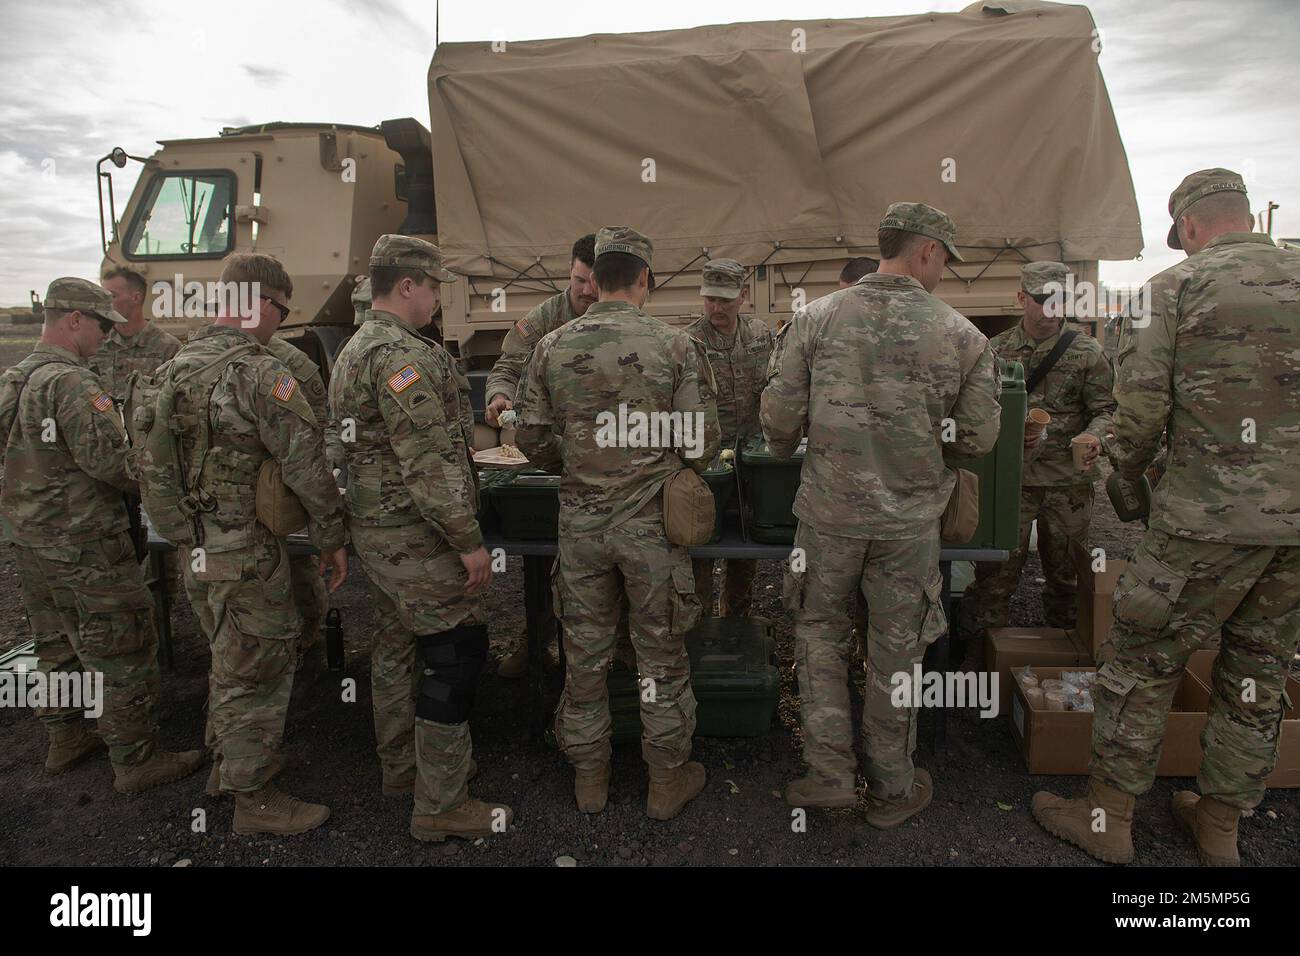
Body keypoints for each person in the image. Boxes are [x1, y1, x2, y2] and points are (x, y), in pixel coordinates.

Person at [1032, 169, 1300, 867]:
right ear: (1247, 215)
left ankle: (1109, 819)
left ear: (1186, 226)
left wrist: (1124, 481)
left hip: (1202, 524)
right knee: (1257, 674)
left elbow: (1141, 416)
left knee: (1142, 666)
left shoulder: (1174, 291)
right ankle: (1220, 829)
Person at [763, 203, 1001, 827]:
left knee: (819, 636)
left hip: (826, 518)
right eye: (945, 258)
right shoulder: (962, 335)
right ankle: (893, 786)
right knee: (898, 649)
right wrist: (920, 445)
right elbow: (976, 438)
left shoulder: (812, 321)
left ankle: (829, 776)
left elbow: (779, 427)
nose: (944, 271)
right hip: (909, 524)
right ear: (926, 251)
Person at [516, 226, 720, 819]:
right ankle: (665, 780)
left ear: (595, 279)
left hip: (581, 528)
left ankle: (590, 778)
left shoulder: (552, 345)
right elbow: (701, 442)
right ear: (644, 280)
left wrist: (575, 461)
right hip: (651, 528)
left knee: (584, 656)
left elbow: (529, 433)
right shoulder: (676, 346)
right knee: (659, 656)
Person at [330, 235, 512, 843]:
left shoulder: (354, 350)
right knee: (454, 657)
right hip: (417, 537)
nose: (438, 300)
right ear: (407, 285)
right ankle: (440, 803)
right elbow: (427, 463)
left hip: (377, 534)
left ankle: (403, 770)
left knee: (394, 650)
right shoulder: (399, 357)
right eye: (434, 288)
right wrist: (468, 540)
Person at [167, 253, 348, 835]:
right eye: (283, 311)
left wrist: (181, 532)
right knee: (259, 671)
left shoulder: (176, 368)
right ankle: (256, 799)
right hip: (247, 552)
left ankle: (224, 766)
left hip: (196, 549)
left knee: (227, 658)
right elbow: (308, 469)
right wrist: (331, 538)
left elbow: (145, 464)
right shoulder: (259, 373)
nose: (281, 324)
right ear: (261, 304)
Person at [0, 277, 201, 793]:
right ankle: (136, 761)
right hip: (87, 541)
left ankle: (65, 738)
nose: (107, 337)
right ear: (73, 320)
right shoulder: (73, 384)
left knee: (57, 645)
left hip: (31, 540)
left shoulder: (16, 377)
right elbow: (113, 464)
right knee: (121, 646)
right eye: (100, 326)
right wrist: (165, 479)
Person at [955, 261, 1115, 666]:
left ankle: (1065, 661)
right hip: (1014, 479)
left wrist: (1095, 435)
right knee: (997, 573)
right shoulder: (997, 349)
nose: (1052, 310)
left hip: (1067, 482)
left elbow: (1106, 409)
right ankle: (986, 660)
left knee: (1066, 576)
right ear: (1022, 298)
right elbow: (976, 409)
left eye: (1061, 301)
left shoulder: (1086, 352)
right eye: (1044, 301)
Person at [485, 235, 598, 677]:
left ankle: (606, 653)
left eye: (593, 282)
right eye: (578, 280)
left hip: (598, 458)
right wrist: (498, 395)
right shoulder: (547, 318)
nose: (586, 291)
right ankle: (536, 642)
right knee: (538, 551)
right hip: (549, 453)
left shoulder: (618, 317)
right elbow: (507, 365)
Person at [686, 258, 771, 617]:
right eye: (710, 299)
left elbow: (772, 390)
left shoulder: (760, 336)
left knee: (744, 554)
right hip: (706, 467)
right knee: (700, 553)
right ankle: (701, 630)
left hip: (750, 460)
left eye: (725, 299)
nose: (717, 308)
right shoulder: (688, 342)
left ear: (744, 296)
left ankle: (736, 625)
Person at [264, 334, 344, 672]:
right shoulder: (195, 360)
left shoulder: (291, 363)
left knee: (297, 573)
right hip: (243, 515)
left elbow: (325, 424)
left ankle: (308, 633)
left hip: (285, 496)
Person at [93, 267, 183, 403]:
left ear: (136, 297)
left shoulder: (169, 348)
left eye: (111, 296)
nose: (105, 303)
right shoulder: (95, 343)